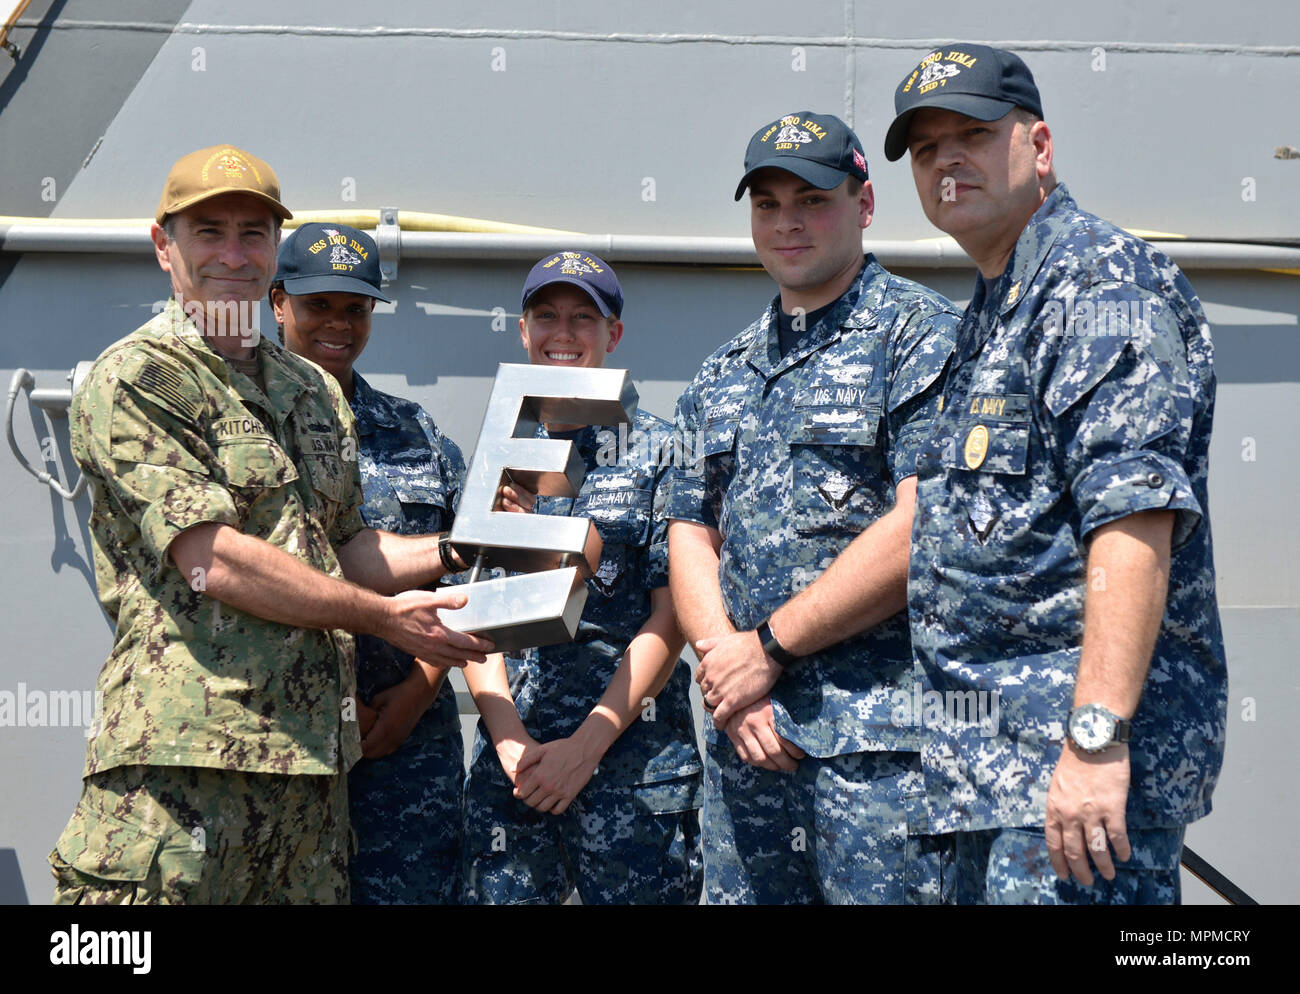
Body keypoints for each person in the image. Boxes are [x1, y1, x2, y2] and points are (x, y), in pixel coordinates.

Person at [49, 145, 492, 905]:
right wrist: (388, 620)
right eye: (208, 232)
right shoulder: (138, 379)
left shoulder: (312, 389)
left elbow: (345, 547)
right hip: (184, 769)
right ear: (165, 246)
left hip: (313, 773)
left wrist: (460, 550)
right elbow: (211, 559)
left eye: (253, 234)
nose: (232, 253)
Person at [884, 44, 1227, 904]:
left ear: (1038, 147)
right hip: (992, 777)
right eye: (926, 149)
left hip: (1067, 785)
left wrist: (1097, 737)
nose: (946, 161)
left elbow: (1133, 521)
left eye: (971, 133)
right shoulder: (995, 307)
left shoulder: (1097, 284)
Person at [667, 112, 960, 903]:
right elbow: (690, 530)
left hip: (878, 758)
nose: (787, 221)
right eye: (767, 203)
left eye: (813, 198)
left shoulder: (922, 338)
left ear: (865, 204)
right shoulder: (724, 370)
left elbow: (923, 524)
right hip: (746, 748)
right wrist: (728, 672)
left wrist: (766, 652)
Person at [461, 251, 702, 905]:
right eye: (546, 316)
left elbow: (672, 615)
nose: (562, 334)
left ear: (613, 336)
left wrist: (587, 744)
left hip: (630, 766)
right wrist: (510, 742)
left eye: (582, 319)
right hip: (516, 771)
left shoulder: (659, 450)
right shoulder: (502, 451)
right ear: (521, 329)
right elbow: (476, 613)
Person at [271, 221, 474, 904]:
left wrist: (418, 689)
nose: (339, 324)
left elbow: (473, 579)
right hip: (277, 742)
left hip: (405, 751)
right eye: (319, 304)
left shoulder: (414, 430)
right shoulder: (238, 423)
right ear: (277, 302)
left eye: (355, 308)